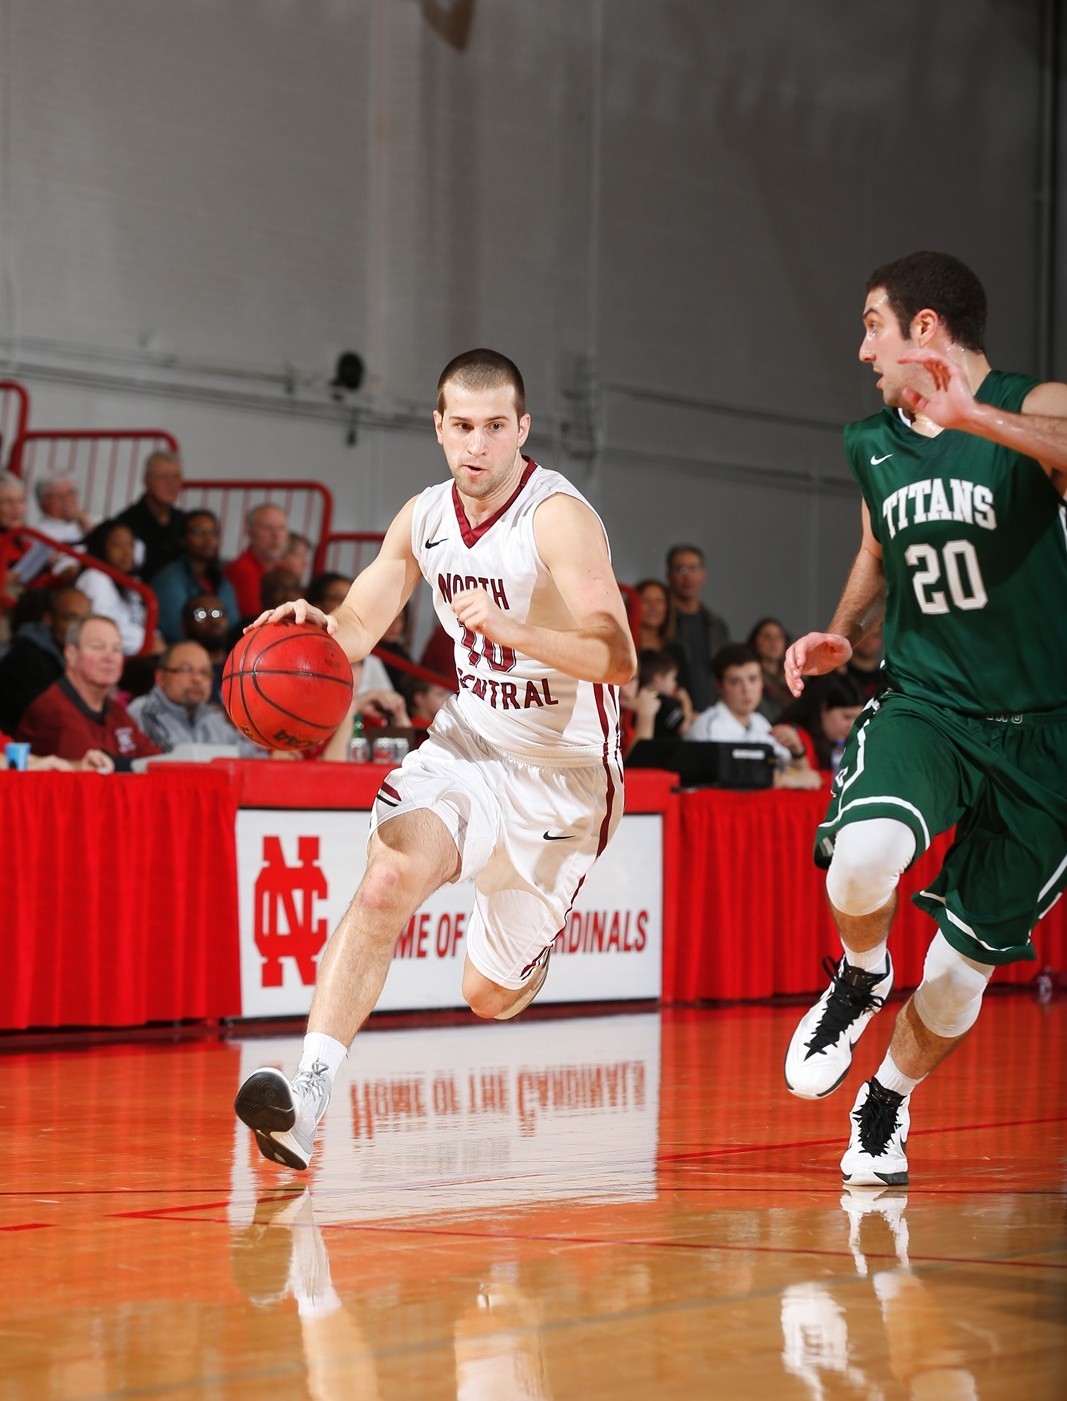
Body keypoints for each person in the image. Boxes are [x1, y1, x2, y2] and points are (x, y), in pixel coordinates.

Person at [234, 347, 636, 1170]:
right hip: (467, 745)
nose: (477, 444)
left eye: (495, 426)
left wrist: (517, 630)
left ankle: (529, 952)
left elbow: (618, 655)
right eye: (462, 426)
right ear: (439, 428)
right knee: (385, 881)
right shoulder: (423, 517)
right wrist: (315, 632)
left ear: (522, 428)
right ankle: (306, 1097)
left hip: (564, 780)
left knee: (485, 995)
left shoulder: (556, 517)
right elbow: (355, 628)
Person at [782, 250, 1067, 1188]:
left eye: (874, 325)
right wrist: (843, 627)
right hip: (929, 703)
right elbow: (879, 545)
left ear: (926, 329)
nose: (863, 349)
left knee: (954, 975)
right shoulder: (873, 441)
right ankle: (860, 973)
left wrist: (972, 417)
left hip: (1046, 735)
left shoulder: (1034, 405)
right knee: (862, 856)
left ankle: (886, 1099)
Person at [16, 614, 162, 768]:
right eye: (97, 647)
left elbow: (159, 762)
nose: (110, 657)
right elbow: (94, 768)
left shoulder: (116, 711)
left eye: (117, 649)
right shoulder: (53, 710)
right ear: (71, 654)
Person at [688, 643, 822, 789]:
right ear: (719, 686)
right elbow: (722, 780)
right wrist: (782, 780)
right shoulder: (707, 726)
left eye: (753, 679)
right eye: (735, 682)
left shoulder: (760, 723)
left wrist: (797, 751)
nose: (746, 689)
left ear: (761, 682)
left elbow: (803, 776)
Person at [0, 584, 91, 733]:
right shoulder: (25, 658)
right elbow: (51, 722)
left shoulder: (81, 656)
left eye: (85, 620)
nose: (79, 628)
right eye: (71, 618)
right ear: (48, 619)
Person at [128, 640, 245, 751]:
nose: (197, 679)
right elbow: (164, 760)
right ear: (161, 677)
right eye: (185, 670)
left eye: (204, 672)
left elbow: (246, 754)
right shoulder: (144, 713)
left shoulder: (212, 716)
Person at [150, 510, 240, 643]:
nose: (208, 539)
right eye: (198, 532)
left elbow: (233, 625)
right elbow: (176, 631)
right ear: (182, 539)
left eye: (212, 533)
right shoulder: (169, 580)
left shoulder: (221, 579)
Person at [75, 519, 160, 656]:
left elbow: (139, 621)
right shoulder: (95, 577)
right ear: (101, 547)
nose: (127, 552)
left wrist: (155, 638)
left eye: (130, 544)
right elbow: (104, 628)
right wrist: (150, 641)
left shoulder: (131, 580)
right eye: (117, 545)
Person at [665, 543, 729, 711]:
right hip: (672, 715)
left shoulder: (717, 626)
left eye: (693, 568)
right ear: (669, 575)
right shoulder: (663, 622)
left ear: (703, 574)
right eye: (681, 569)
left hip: (711, 714)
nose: (688, 576)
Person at [115, 449, 186, 581]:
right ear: (147, 481)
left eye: (176, 477)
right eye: (163, 477)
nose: (171, 484)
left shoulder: (184, 522)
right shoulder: (127, 523)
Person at [14, 473, 93, 585]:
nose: (66, 500)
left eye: (70, 493)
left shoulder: (91, 522)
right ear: (43, 503)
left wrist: (86, 525)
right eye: (58, 496)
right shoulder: (36, 534)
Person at [779, 674, 866, 775]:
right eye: (847, 717)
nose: (852, 726)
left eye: (857, 719)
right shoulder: (796, 738)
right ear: (824, 709)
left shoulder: (848, 745)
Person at [224, 502, 290, 619]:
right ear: (249, 532)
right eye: (267, 528)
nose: (276, 535)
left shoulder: (283, 570)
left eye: (281, 528)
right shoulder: (241, 571)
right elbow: (255, 617)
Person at [746, 616, 792, 721]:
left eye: (779, 637)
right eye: (767, 637)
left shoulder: (794, 677)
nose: (773, 642)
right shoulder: (748, 677)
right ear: (755, 641)